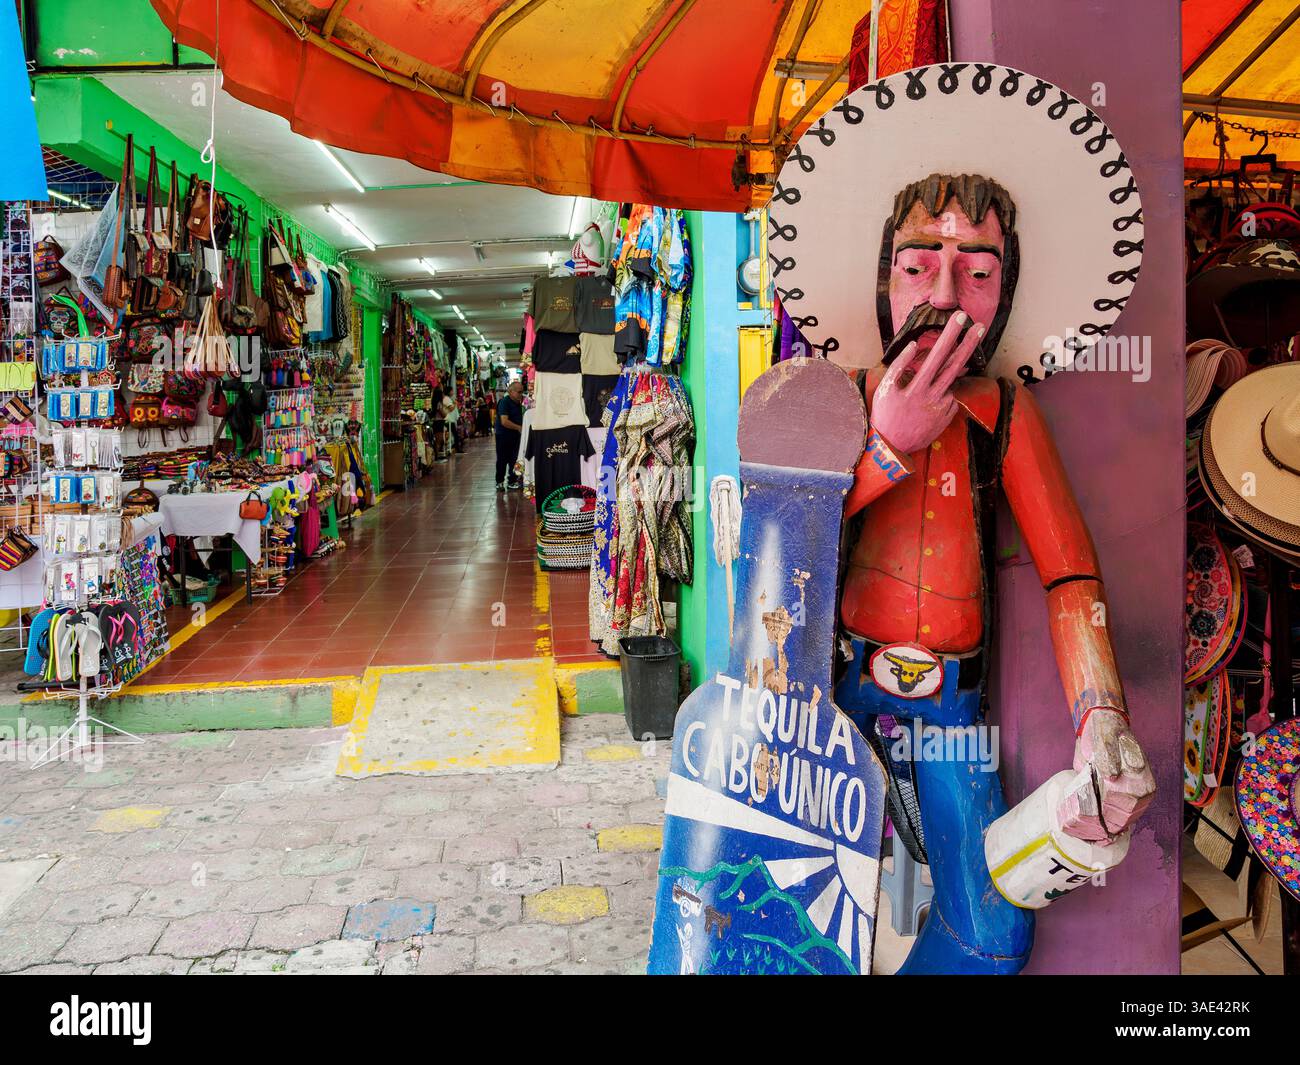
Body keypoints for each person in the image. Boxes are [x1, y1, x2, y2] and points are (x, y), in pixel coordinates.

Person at [831, 172, 1155, 975]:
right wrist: (884, 446)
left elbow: (1070, 574)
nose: (945, 293)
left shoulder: (1006, 411)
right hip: (834, 695)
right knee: (817, 907)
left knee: (991, 933)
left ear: (1004, 293)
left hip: (952, 707)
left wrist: (1100, 713)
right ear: (882, 277)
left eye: (977, 272)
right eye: (917, 266)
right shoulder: (842, 394)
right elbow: (781, 546)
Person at [495, 380, 525, 490]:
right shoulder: (504, 402)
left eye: (522, 392)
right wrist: (519, 428)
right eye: (519, 392)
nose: (521, 394)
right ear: (511, 391)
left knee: (515, 459)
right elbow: (504, 421)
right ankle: (499, 482)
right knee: (502, 459)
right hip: (503, 435)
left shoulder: (520, 403)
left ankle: (512, 481)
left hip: (515, 436)